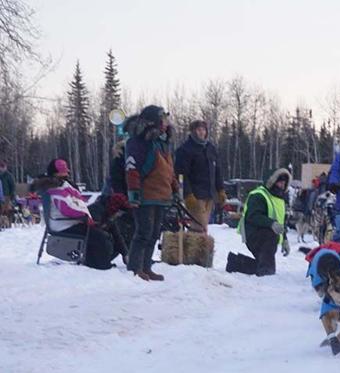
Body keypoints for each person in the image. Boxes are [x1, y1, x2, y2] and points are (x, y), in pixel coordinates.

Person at [125, 105, 179, 281]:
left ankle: (146, 267)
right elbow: (132, 169)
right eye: (163, 119)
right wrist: (133, 194)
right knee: (143, 232)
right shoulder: (139, 142)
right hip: (145, 195)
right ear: (154, 122)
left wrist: (175, 188)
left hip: (161, 196)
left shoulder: (164, 143)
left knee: (155, 233)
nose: (166, 123)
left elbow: (168, 169)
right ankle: (134, 268)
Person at [30, 159, 116, 269]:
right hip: (64, 224)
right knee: (98, 235)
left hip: (67, 220)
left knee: (101, 229)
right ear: (56, 173)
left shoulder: (55, 186)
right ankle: (102, 265)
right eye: (64, 172)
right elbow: (67, 208)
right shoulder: (56, 188)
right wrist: (84, 215)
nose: (67, 174)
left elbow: (70, 205)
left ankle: (98, 260)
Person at [227, 168, 292, 276]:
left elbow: (280, 222)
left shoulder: (279, 199)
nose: (282, 185)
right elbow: (253, 216)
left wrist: (284, 239)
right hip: (255, 235)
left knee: (262, 264)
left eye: (284, 183)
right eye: (280, 182)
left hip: (269, 237)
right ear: (272, 181)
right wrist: (271, 223)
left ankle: (236, 263)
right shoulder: (259, 195)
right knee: (266, 266)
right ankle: (265, 271)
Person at [175, 120, 226, 232]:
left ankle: (197, 247)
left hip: (210, 194)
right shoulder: (185, 150)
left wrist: (221, 189)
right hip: (195, 195)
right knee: (199, 226)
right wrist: (187, 194)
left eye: (203, 129)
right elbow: (181, 175)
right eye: (199, 130)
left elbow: (217, 171)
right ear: (193, 132)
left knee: (202, 226)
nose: (201, 132)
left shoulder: (210, 148)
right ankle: (195, 247)